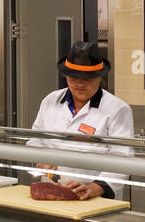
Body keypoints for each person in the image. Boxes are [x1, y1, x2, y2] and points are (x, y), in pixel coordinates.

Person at [31, 42, 133, 200]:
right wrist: (41, 163)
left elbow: (122, 160)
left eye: (87, 79)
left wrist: (93, 188)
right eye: (74, 77)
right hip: (51, 193)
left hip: (94, 199)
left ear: (99, 77)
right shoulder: (50, 101)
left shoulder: (117, 109)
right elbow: (35, 141)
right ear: (65, 76)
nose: (80, 84)